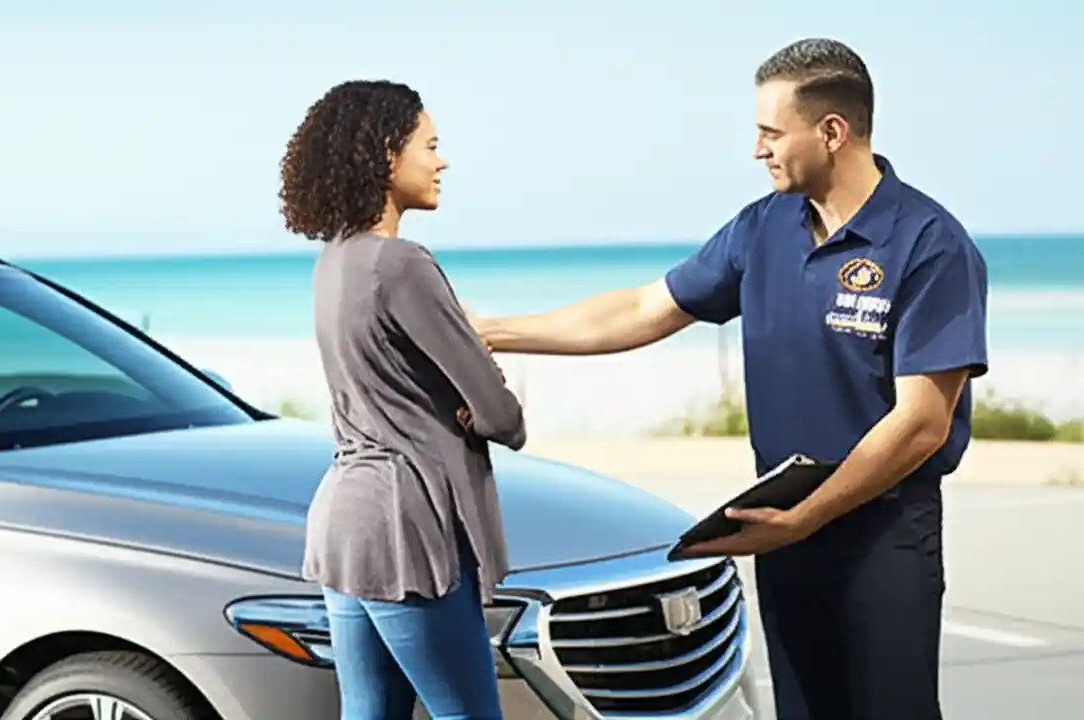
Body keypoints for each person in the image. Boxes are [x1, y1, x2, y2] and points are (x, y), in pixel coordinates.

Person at [471, 38, 988, 720]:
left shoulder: (930, 243)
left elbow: (921, 422)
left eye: (772, 132)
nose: (757, 150)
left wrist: (805, 517)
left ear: (832, 132)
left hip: (882, 534)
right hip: (781, 524)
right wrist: (489, 333)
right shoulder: (764, 228)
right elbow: (643, 308)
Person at [280, 79, 525, 719]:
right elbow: (501, 415)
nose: (441, 161)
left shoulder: (332, 261)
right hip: (405, 530)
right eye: (431, 145)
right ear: (388, 156)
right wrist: (475, 406)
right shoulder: (402, 263)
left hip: (344, 518)